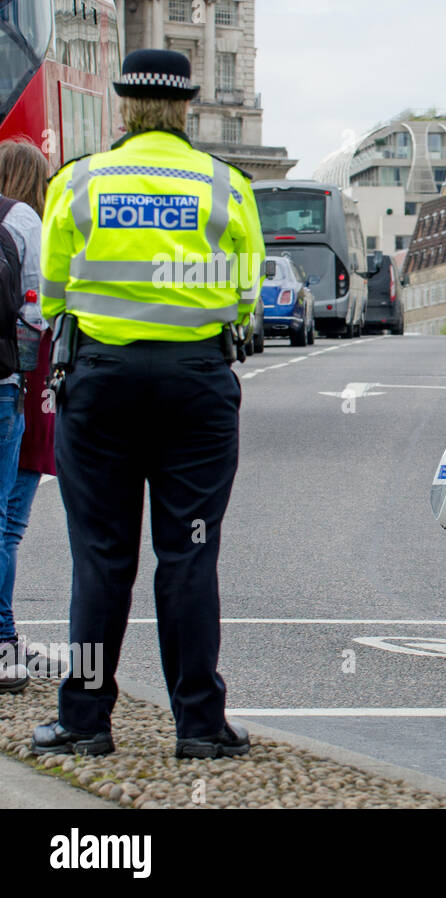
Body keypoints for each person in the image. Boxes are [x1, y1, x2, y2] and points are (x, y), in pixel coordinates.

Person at [34, 49, 264, 758]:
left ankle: (83, 723)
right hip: (195, 386)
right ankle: (199, 726)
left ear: (125, 105)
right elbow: (247, 298)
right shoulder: (227, 186)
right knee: (189, 555)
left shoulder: (78, 181)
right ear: (185, 106)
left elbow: (50, 295)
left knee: (100, 557)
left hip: (101, 385)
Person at [0, 139, 45, 694]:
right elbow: (38, 309)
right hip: (11, 383)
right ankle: (4, 637)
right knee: (7, 522)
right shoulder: (28, 220)